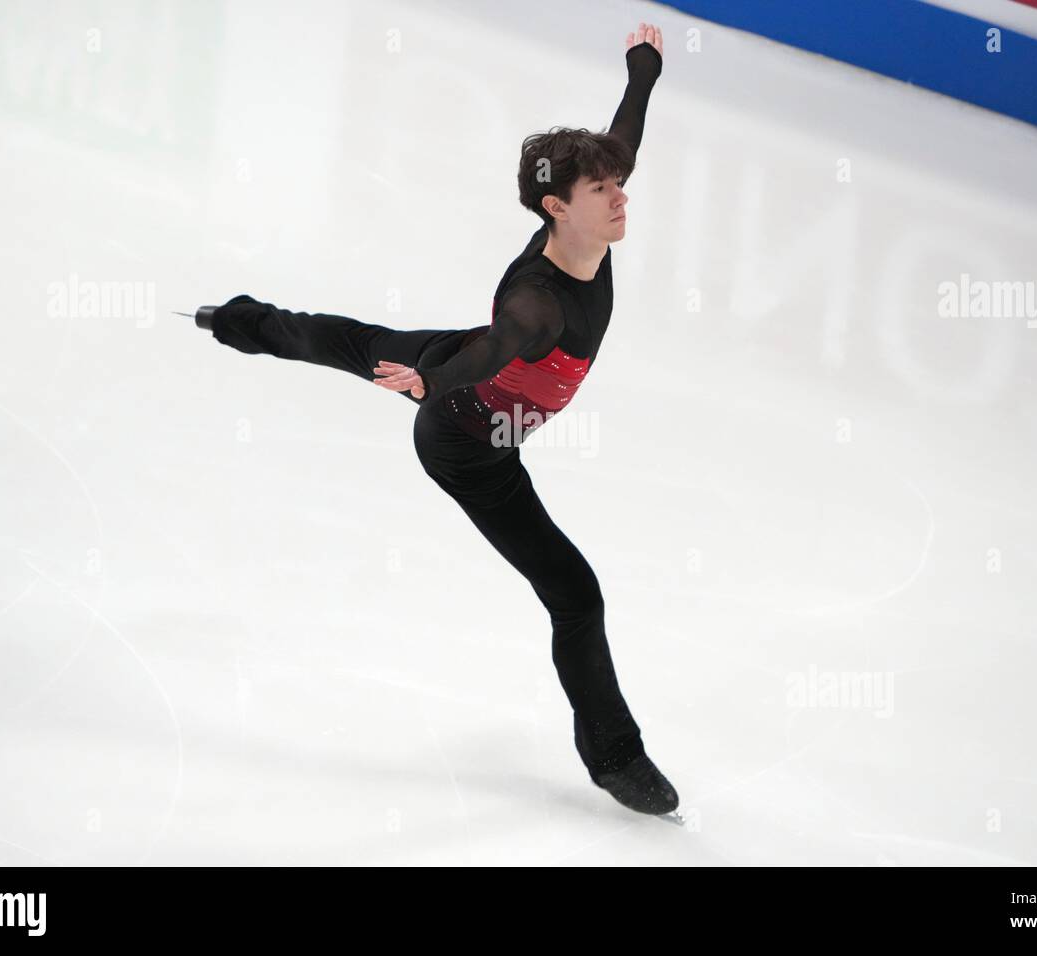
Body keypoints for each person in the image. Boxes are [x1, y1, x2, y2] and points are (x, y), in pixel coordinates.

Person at [192, 24, 676, 816]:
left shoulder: (585, 226)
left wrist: (643, 69)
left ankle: (239, 321)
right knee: (575, 594)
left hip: (464, 377)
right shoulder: (539, 304)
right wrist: (431, 383)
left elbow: (623, 139)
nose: (621, 196)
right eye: (602, 192)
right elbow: (496, 349)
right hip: (468, 442)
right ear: (558, 208)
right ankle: (616, 759)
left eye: (616, 185)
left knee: (347, 338)